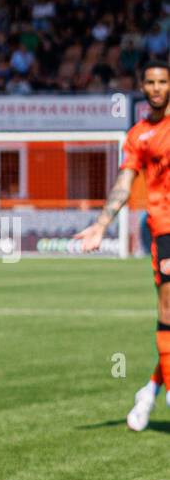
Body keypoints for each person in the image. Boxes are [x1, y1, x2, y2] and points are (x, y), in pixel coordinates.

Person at [76, 61, 170, 431]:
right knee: (168, 306)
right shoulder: (139, 136)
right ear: (142, 87)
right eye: (151, 82)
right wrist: (101, 225)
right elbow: (124, 183)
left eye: (163, 81)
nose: (157, 87)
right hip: (165, 229)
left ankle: (148, 391)